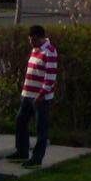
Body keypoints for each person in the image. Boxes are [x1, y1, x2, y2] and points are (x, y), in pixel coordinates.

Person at [10, 24, 57, 167]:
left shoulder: (50, 51)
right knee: (20, 121)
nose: (31, 42)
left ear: (41, 37)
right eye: (30, 39)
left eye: (34, 39)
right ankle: (22, 151)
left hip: (40, 97)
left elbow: (50, 77)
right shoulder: (34, 49)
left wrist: (41, 94)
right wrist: (24, 92)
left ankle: (37, 158)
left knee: (40, 128)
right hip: (28, 94)